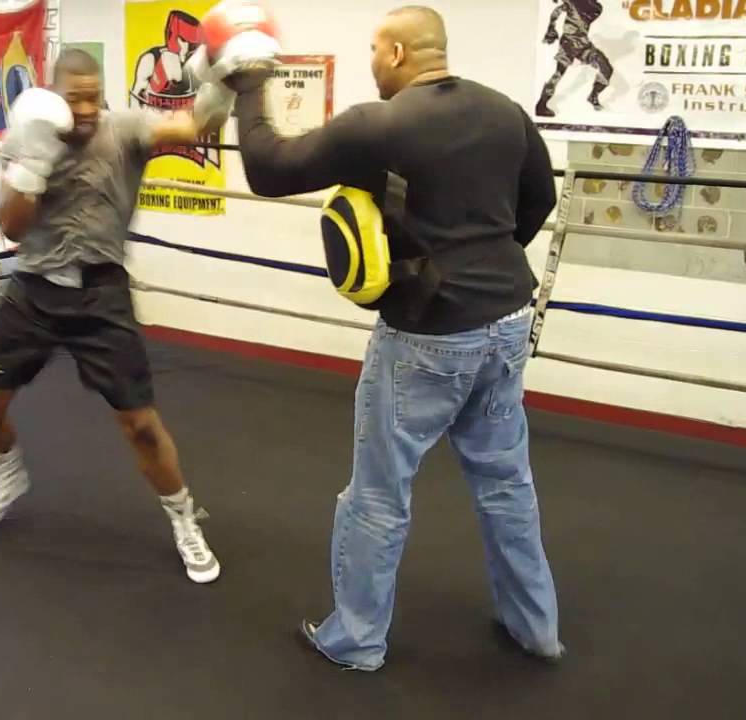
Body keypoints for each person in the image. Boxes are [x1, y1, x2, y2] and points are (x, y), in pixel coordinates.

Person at [217, 6, 565, 668]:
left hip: (427, 337)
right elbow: (538, 199)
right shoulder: (507, 112)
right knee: (506, 482)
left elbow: (269, 168)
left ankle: (356, 640)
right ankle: (537, 629)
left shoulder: (379, 125)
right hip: (509, 323)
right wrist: (483, 263)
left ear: (401, 54)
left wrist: (249, 85)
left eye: (376, 50)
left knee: (378, 492)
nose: (372, 61)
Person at [0, 47, 264, 585]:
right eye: (74, 98)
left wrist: (223, 82)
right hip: (32, 289)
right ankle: (4, 473)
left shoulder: (123, 129)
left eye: (93, 97)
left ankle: (183, 517)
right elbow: (11, 226)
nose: (85, 109)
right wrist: (31, 162)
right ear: (54, 94)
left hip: (101, 293)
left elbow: (194, 125)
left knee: (140, 425)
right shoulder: (28, 132)